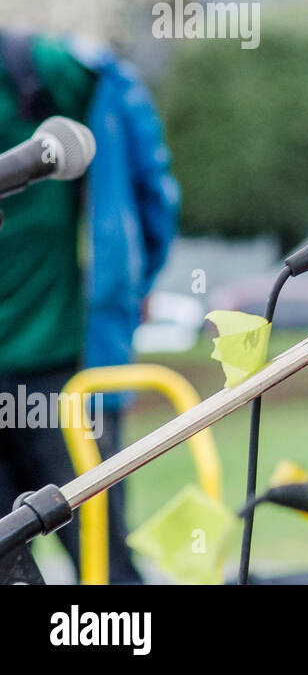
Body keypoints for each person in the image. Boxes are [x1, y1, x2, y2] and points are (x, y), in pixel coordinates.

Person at [0, 30, 179, 584]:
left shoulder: (47, 70)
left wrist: (124, 287)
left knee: (104, 564)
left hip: (65, 372)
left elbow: (147, 190)